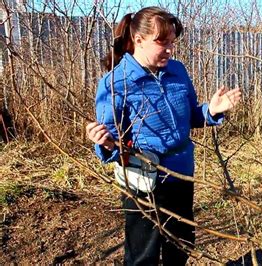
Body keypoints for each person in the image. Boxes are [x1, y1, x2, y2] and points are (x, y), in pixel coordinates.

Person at [85, 7, 241, 265]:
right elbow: (114, 142)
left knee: (180, 244)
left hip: (182, 171)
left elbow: (191, 116)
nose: (170, 49)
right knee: (142, 253)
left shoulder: (177, 71)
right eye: (162, 42)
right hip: (143, 178)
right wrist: (105, 141)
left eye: (172, 43)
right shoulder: (115, 84)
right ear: (138, 40)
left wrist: (211, 110)